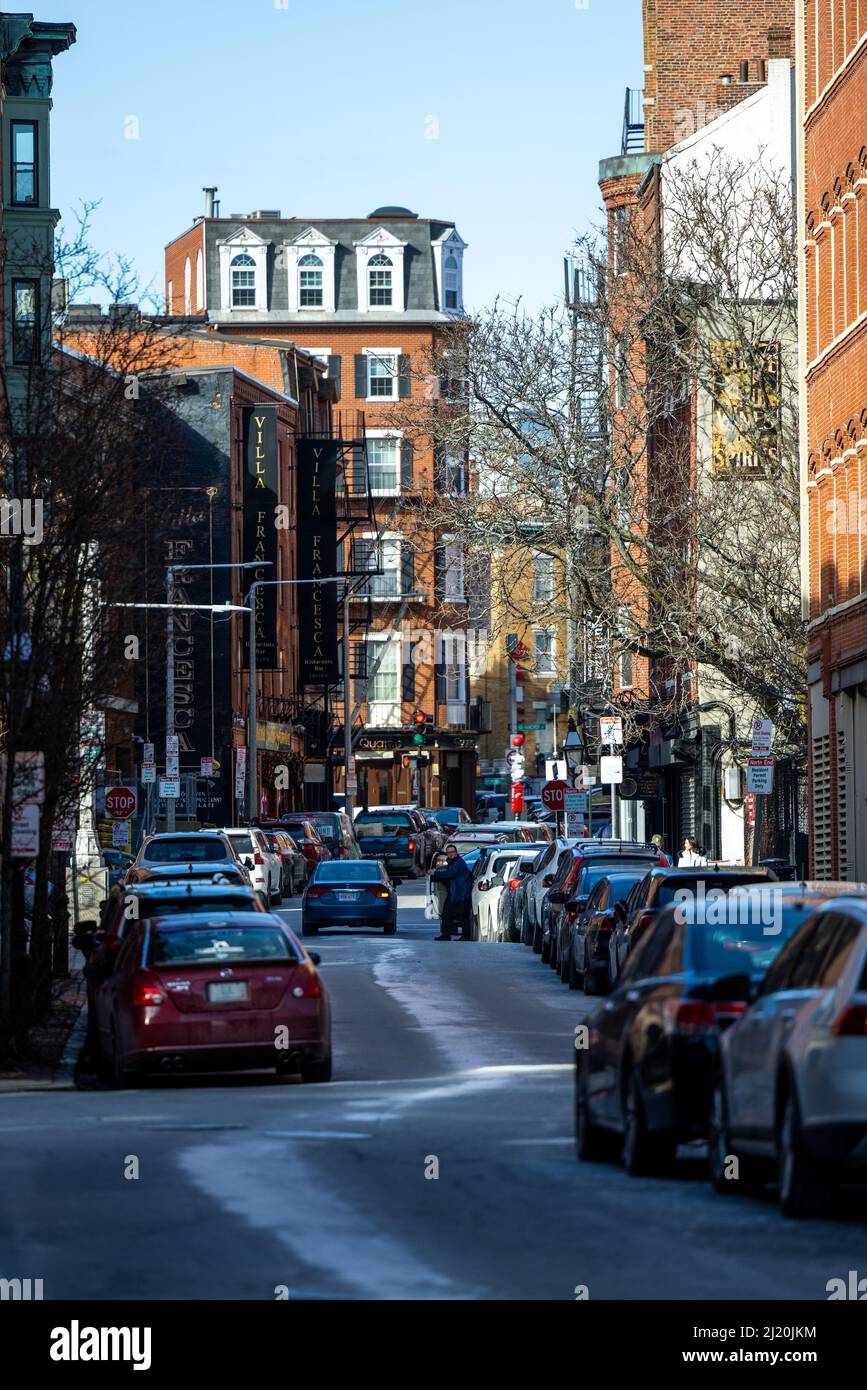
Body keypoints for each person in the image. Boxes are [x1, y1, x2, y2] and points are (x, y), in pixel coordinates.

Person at [431, 844, 474, 940]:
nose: (450, 854)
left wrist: (435, 872)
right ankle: (446, 935)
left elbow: (449, 874)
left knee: (463, 916)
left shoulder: (458, 863)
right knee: (447, 914)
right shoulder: (453, 862)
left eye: (452, 852)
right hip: (455, 893)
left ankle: (465, 936)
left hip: (461, 894)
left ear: (456, 853)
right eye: (448, 852)